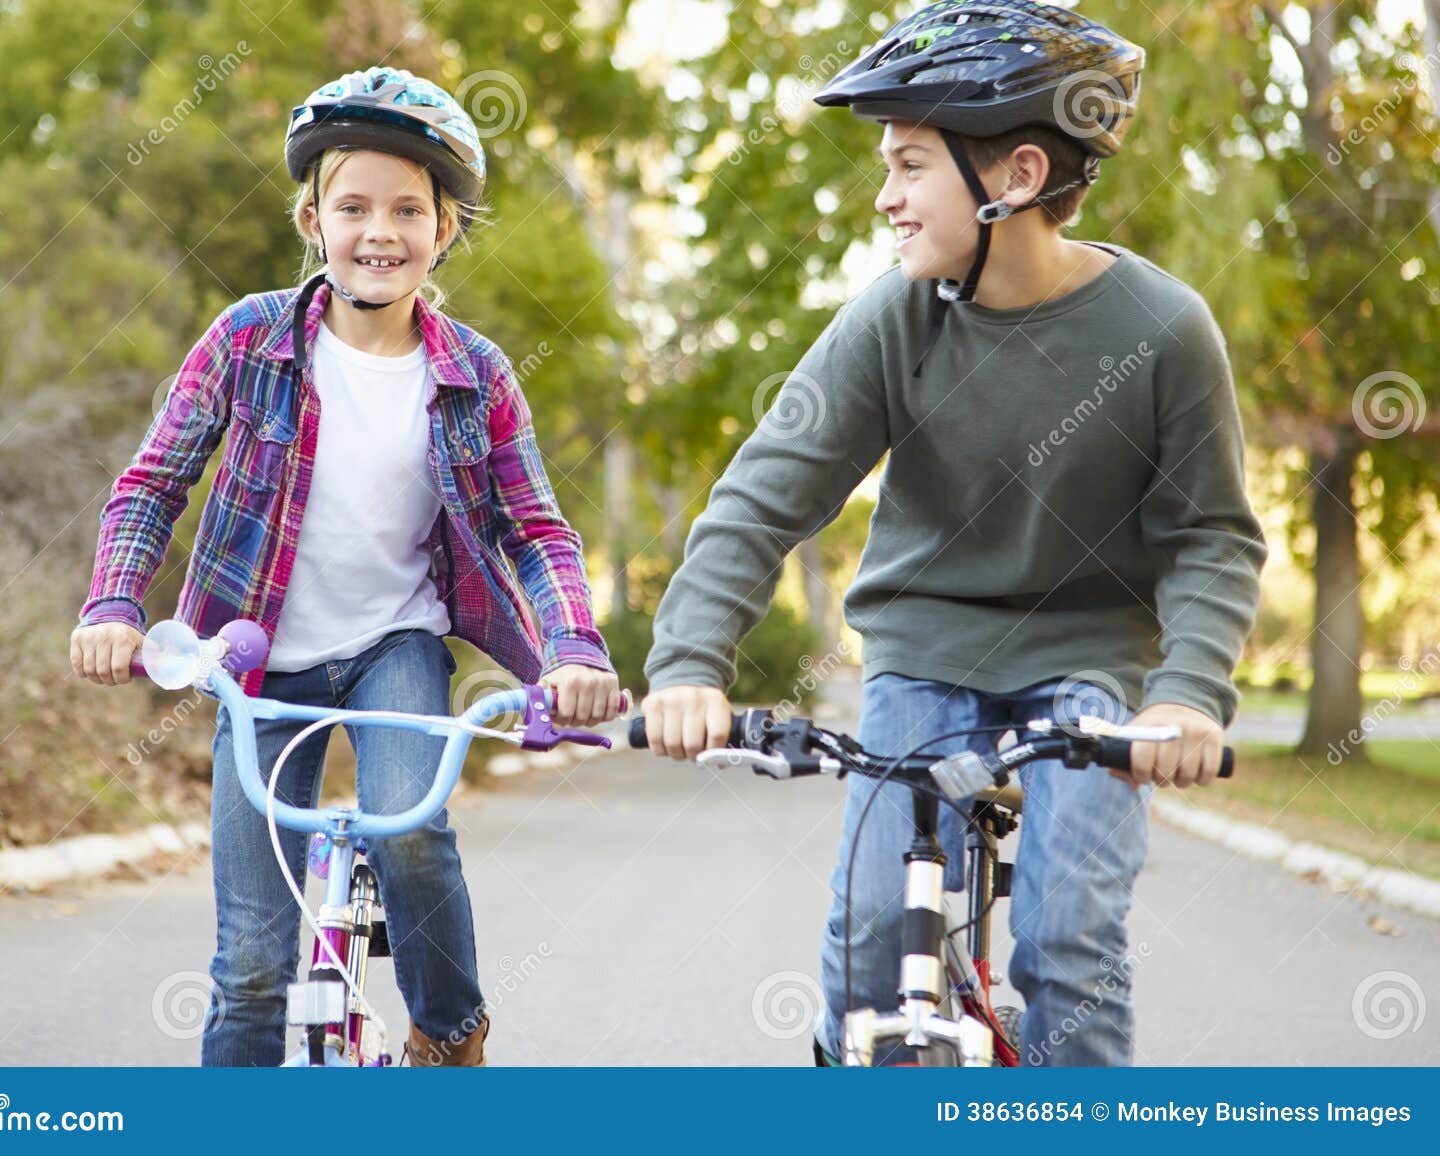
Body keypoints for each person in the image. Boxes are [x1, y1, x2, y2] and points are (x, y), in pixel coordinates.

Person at [640, 2, 1265, 1065]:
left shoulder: (1162, 329)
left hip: (1092, 667)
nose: (884, 197)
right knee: (871, 942)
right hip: (924, 660)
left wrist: (1187, 692)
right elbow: (761, 497)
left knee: (1070, 941)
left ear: (1015, 177)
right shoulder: (894, 318)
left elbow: (1212, 533)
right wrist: (690, 661)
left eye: (910, 165)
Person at [70, 66, 622, 1066]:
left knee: (406, 828)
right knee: (247, 967)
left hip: (391, 650)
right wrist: (114, 602)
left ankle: (449, 1029)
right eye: (353, 205)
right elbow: (151, 482)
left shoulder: (477, 374)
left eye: (409, 209)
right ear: (311, 218)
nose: (380, 230)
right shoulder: (247, 340)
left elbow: (533, 527)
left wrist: (572, 647)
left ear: (445, 229)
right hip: (253, 660)